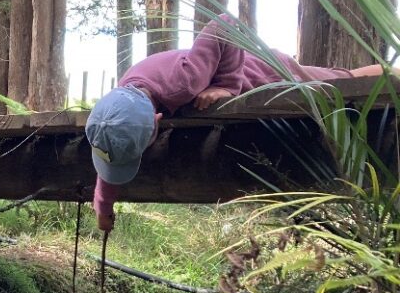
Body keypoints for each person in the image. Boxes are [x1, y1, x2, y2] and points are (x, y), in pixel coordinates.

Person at [85, 15, 394, 232]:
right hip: (259, 68)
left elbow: (224, 24)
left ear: (156, 121)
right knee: (338, 74)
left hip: (269, 74)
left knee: (343, 81)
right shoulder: (120, 104)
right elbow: (111, 147)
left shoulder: (184, 83)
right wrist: (103, 206)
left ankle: (391, 75)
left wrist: (227, 86)